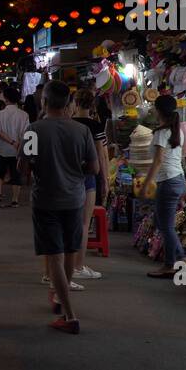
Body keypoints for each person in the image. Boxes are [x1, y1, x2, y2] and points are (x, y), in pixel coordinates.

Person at [18, 81, 99, 334]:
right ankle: (60, 298)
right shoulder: (81, 131)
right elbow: (94, 169)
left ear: (44, 102)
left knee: (53, 254)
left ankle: (70, 315)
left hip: (45, 200)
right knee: (68, 250)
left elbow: (24, 169)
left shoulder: (33, 130)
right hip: (75, 199)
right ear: (68, 104)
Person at [139, 95, 186, 279]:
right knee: (162, 222)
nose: (151, 109)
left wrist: (146, 183)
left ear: (159, 110)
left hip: (168, 181)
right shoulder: (177, 131)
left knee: (165, 226)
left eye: (153, 106)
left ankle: (174, 262)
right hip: (177, 179)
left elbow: (158, 161)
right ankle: (178, 257)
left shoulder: (162, 132)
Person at [71, 89, 110, 281]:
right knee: (84, 224)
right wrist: (106, 179)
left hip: (68, 177)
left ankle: (62, 267)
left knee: (66, 223)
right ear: (92, 105)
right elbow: (102, 155)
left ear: (74, 104)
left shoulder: (68, 124)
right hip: (87, 178)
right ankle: (78, 265)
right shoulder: (95, 126)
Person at [0, 87, 29, 208]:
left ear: (6, 98)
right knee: (16, 174)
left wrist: (11, 142)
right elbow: (25, 133)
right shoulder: (24, 115)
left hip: (1, 149)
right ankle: (15, 200)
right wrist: (18, 144)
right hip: (17, 150)